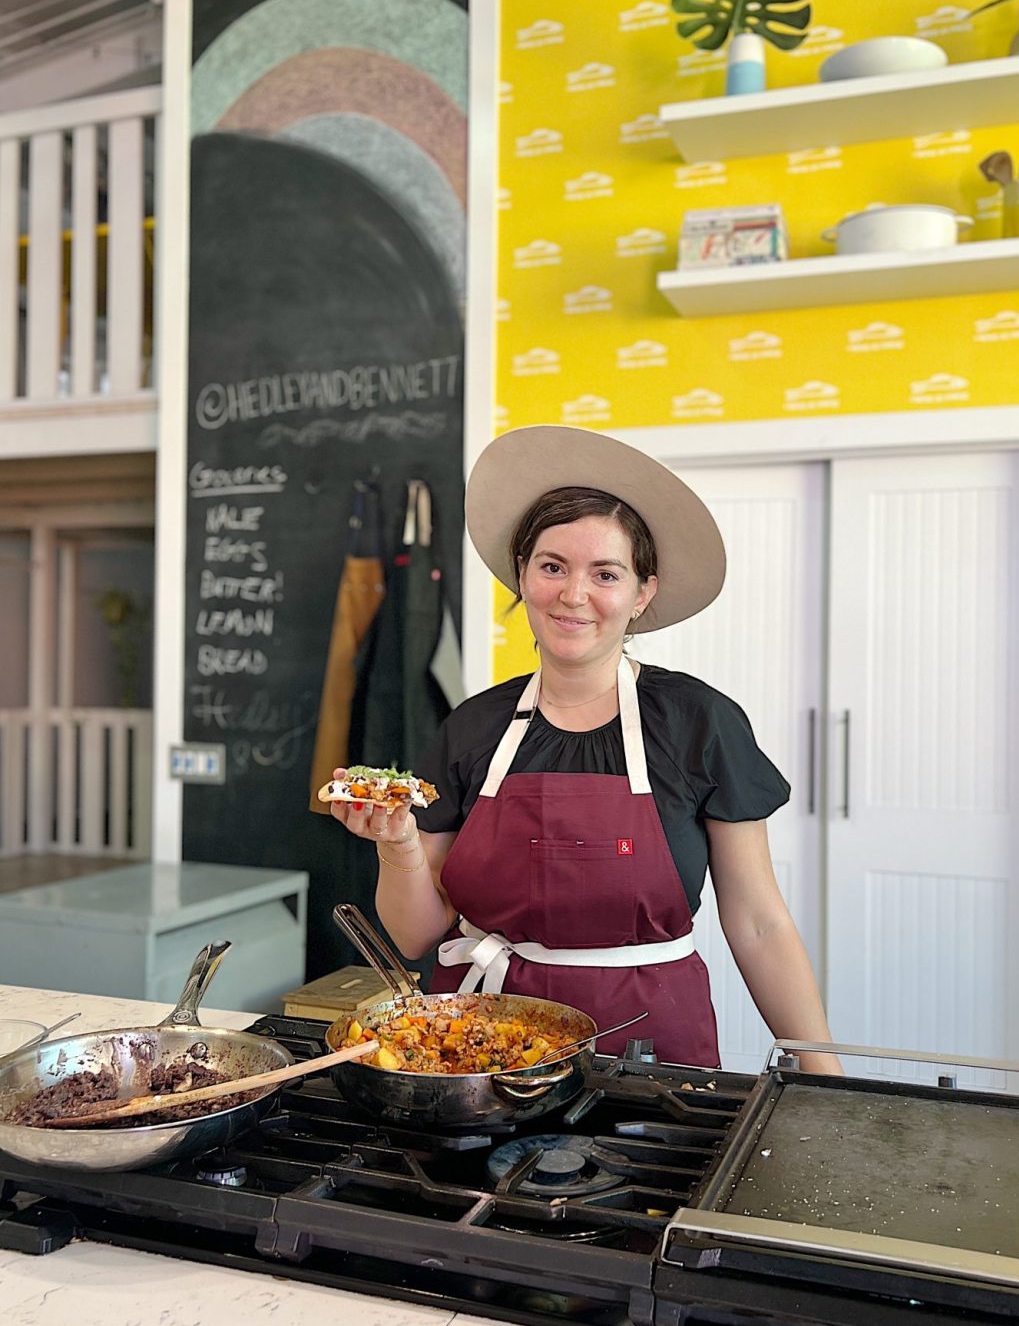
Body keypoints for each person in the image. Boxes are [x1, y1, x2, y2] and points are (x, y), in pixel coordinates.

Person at [328, 425, 837, 1070]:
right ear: (522, 574)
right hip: (481, 1044)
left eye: (605, 573)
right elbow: (415, 933)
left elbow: (759, 923)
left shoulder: (698, 723)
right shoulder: (474, 727)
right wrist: (397, 844)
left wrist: (824, 1075)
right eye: (552, 566)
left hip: (651, 1046)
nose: (573, 595)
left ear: (641, 592)